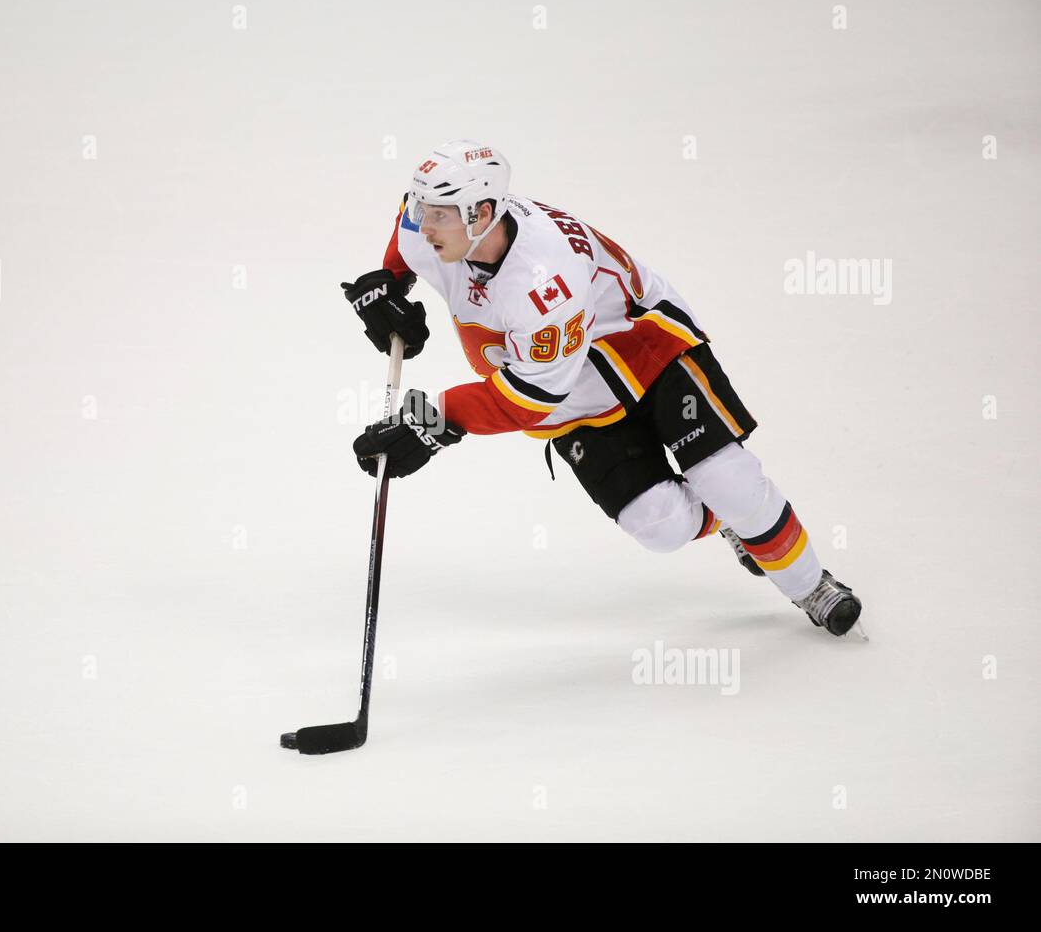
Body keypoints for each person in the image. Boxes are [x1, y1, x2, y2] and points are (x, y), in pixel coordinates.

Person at [344, 139, 863, 637]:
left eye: (438, 213)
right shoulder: (439, 221)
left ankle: (809, 584)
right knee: (660, 526)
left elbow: (527, 399)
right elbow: (406, 227)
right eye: (422, 205)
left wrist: (437, 420)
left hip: (646, 352)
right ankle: (737, 523)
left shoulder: (544, 283)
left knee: (730, 481)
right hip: (572, 391)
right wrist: (389, 281)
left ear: (481, 215)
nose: (421, 219)